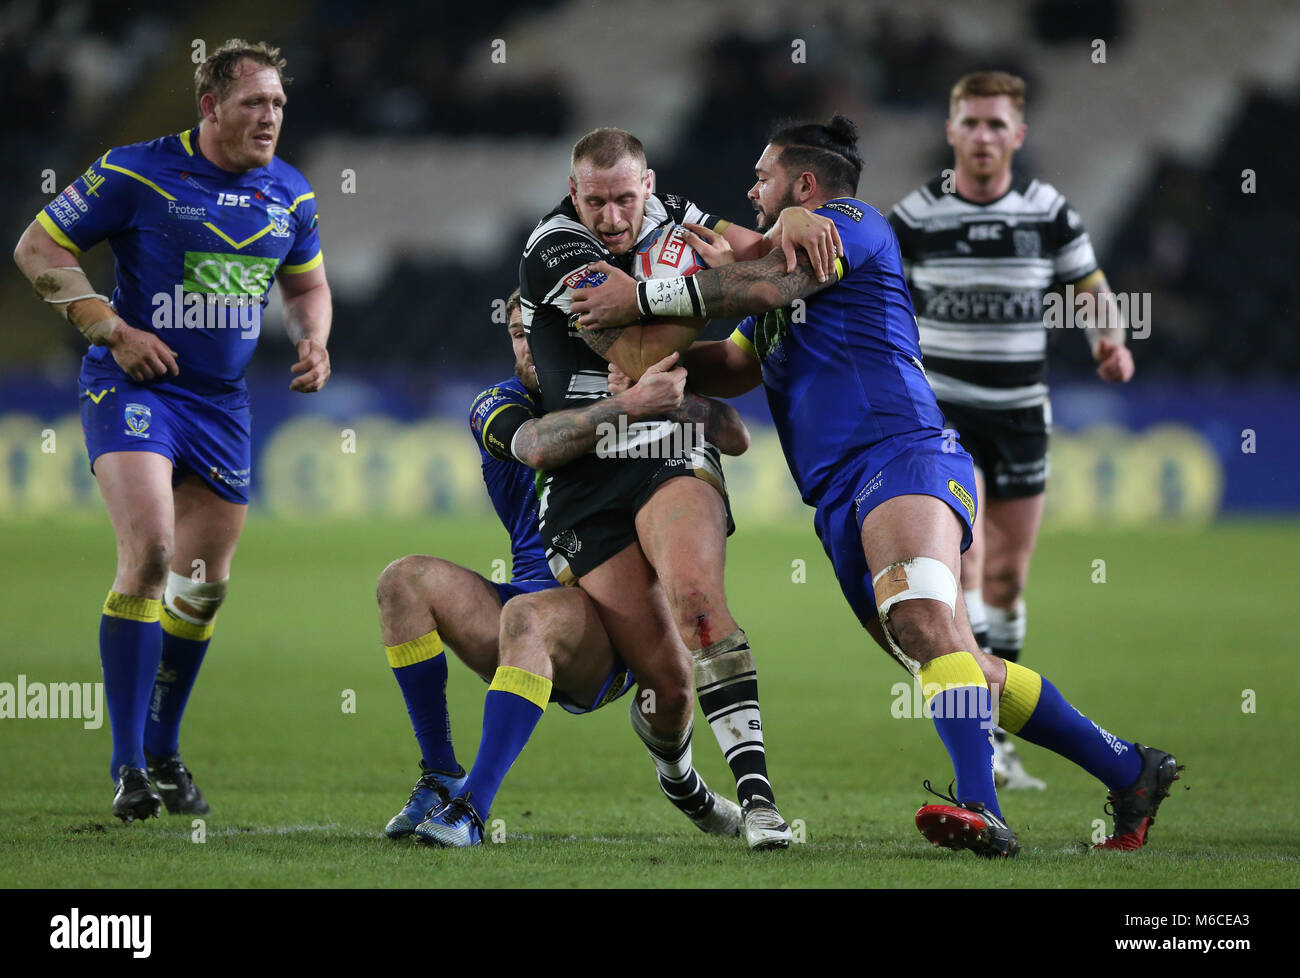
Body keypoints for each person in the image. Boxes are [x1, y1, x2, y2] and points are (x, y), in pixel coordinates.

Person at [571, 115, 1180, 856]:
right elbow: (735, 364)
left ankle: (982, 809)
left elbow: (767, 284)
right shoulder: (782, 268)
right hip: (837, 498)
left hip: (900, 454)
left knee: (923, 621)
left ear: (804, 184)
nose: (751, 191)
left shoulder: (851, 224)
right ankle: (1131, 769)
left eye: (763, 178)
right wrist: (649, 366)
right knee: (950, 659)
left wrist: (639, 300)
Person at [422, 129, 838, 851]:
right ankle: (680, 778)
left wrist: (791, 221)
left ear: (648, 186)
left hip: (668, 448)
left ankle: (761, 804)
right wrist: (712, 285)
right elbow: (643, 354)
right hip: (587, 477)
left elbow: (768, 260)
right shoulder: (554, 248)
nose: (612, 218)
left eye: (625, 199)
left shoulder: (675, 212)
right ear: (573, 193)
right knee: (667, 685)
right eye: (596, 202)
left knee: (699, 602)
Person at [12, 40, 331, 823]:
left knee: (203, 586)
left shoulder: (291, 194)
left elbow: (307, 286)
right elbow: (37, 247)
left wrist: (313, 338)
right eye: (254, 102)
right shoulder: (137, 171)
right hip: (135, 387)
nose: (270, 117)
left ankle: (163, 748)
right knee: (151, 554)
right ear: (210, 106)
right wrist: (111, 329)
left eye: (278, 103)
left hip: (221, 406)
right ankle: (126, 766)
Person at [377, 291, 750, 844]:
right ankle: (440, 776)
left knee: (537, 621)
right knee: (402, 581)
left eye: (539, 332)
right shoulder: (499, 404)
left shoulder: (629, 382)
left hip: (612, 620)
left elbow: (734, 434)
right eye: (517, 334)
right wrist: (627, 406)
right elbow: (535, 445)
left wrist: (668, 401)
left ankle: (472, 812)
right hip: (525, 603)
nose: (528, 346)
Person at [888, 71, 1136, 790]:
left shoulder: (1047, 211)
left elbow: (1088, 286)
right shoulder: (917, 215)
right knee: (962, 571)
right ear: (951, 131)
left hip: (1023, 413)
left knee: (1005, 576)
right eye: (970, 122)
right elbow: (878, 292)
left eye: (996, 124)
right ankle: (987, 740)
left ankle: (1002, 730)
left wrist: (1109, 340)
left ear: (1018, 135)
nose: (983, 136)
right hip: (943, 417)